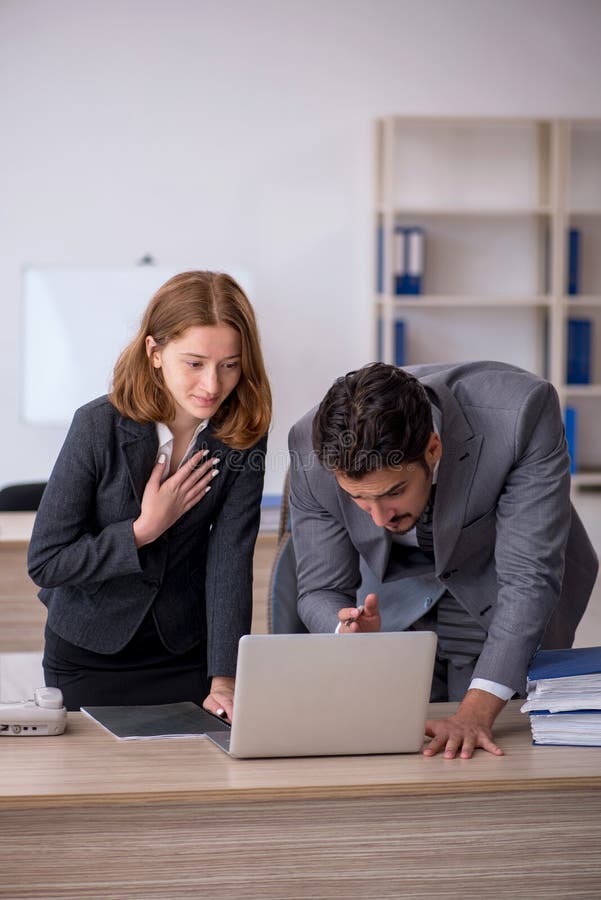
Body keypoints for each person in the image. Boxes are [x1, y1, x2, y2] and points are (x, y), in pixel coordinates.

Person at [288, 361, 598, 759]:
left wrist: (477, 709)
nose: (380, 518)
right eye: (359, 499)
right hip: (392, 601)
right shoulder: (308, 449)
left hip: (499, 587)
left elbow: (528, 579)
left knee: (491, 753)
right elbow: (320, 589)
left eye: (393, 491)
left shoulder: (521, 413)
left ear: (433, 448)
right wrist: (343, 631)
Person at [28, 271, 271, 719]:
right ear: (155, 353)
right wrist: (142, 531)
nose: (213, 385)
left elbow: (230, 558)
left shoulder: (242, 434)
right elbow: (47, 561)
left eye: (230, 365)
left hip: (186, 652)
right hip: (89, 653)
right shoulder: (97, 425)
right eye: (194, 363)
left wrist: (225, 678)